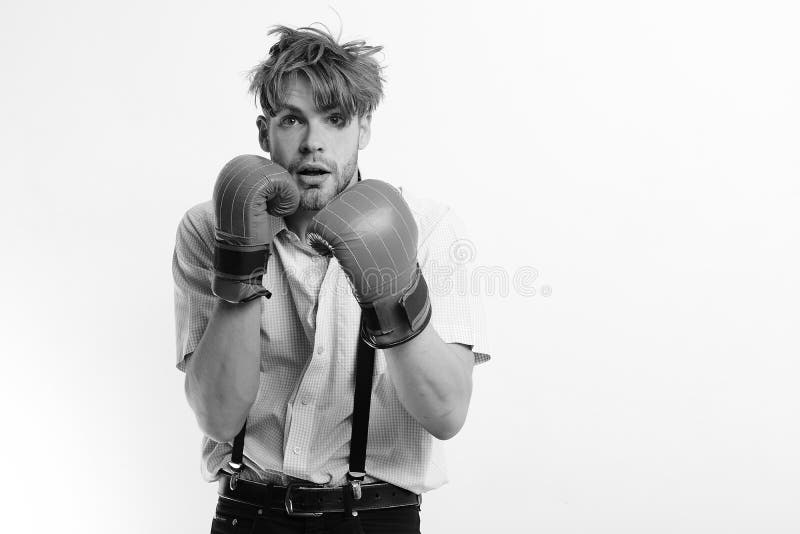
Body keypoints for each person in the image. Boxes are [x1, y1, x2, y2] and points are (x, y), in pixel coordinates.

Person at [172, 24, 491, 534]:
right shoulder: (208, 228)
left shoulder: (428, 228)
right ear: (264, 132)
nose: (314, 143)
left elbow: (447, 414)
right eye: (292, 119)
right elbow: (217, 418)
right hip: (248, 514)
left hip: (376, 517)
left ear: (364, 127)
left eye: (335, 119)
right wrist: (241, 261)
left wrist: (393, 294)